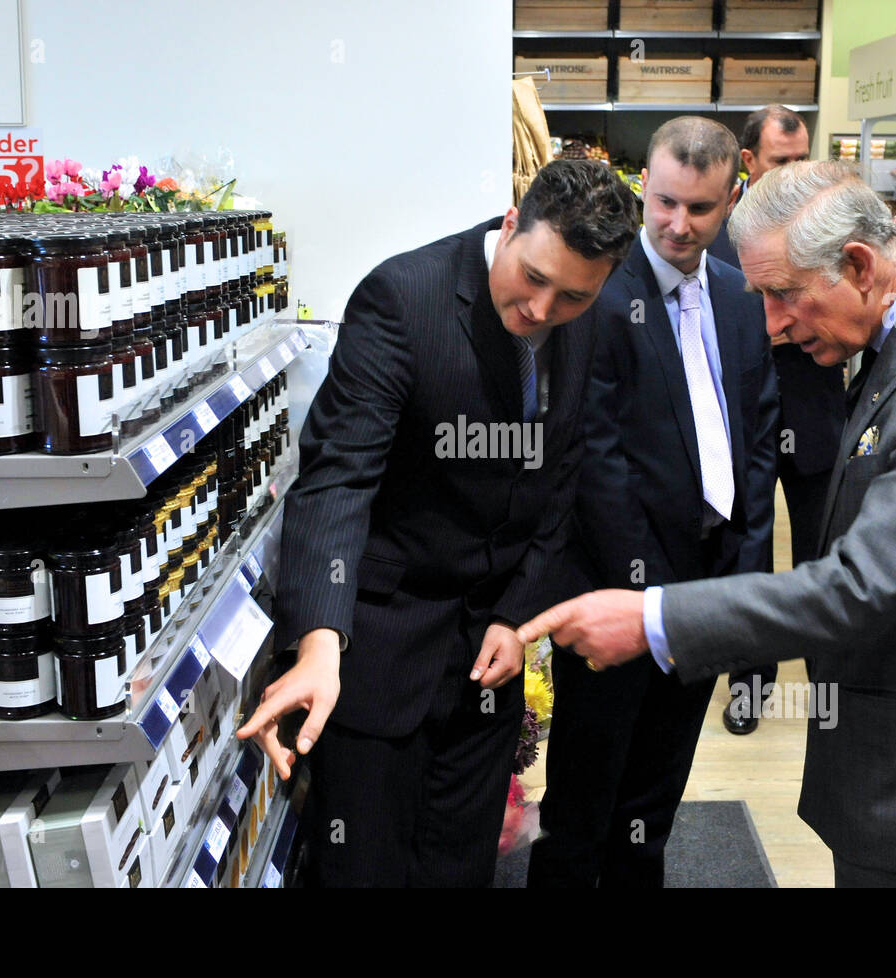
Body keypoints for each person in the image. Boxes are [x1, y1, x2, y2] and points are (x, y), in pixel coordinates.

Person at [517, 161, 896, 887]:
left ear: (860, 264)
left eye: (783, 295)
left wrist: (654, 619)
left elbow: (860, 586)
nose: (772, 327)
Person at [234, 160, 639, 887]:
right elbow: (337, 477)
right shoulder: (403, 298)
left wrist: (518, 617)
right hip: (378, 650)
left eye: (574, 295)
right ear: (512, 224)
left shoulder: (591, 320)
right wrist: (320, 642)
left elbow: (559, 480)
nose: (544, 309)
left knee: (460, 867)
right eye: (534, 278)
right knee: (365, 870)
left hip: (488, 665)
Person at [526, 118, 779, 887]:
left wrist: (743, 575)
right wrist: (645, 597)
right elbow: (594, 456)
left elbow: (759, 436)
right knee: (582, 799)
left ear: (731, 197)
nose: (677, 224)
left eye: (699, 209)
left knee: (656, 794)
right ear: (646, 190)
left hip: (705, 584)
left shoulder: (739, 296)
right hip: (615, 587)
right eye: (663, 202)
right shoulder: (601, 293)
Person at [712, 105, 844, 735]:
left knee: (825, 551)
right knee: (750, 550)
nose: (795, 173)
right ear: (748, 161)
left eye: (802, 160)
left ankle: (830, 681)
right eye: (780, 161)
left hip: (816, 411)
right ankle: (749, 682)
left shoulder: (829, 228)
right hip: (742, 420)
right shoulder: (719, 231)